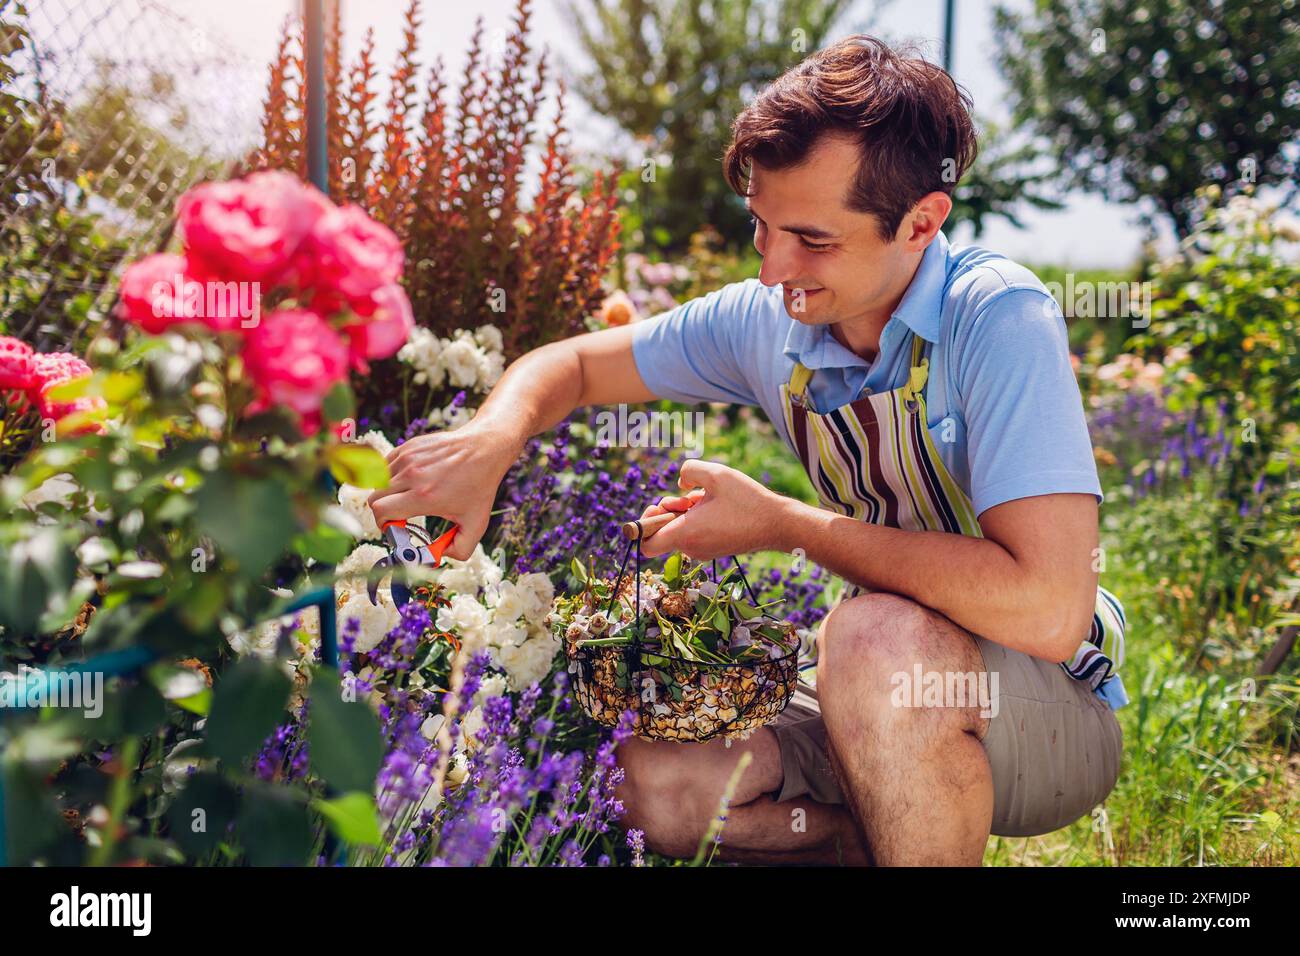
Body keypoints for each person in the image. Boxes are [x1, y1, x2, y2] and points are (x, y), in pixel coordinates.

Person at [368, 35, 1127, 867]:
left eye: (813, 239)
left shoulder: (997, 315)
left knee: (870, 637)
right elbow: (576, 366)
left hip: (1044, 707)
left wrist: (787, 527)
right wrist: (491, 438)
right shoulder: (774, 321)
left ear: (921, 222)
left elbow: (1049, 611)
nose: (773, 269)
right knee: (657, 783)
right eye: (760, 226)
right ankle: (874, 845)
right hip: (867, 687)